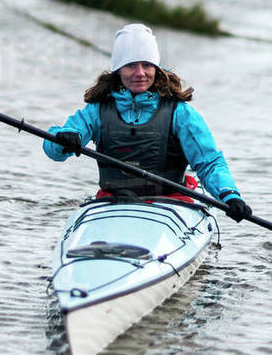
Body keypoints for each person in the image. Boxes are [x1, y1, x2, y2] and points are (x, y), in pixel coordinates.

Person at [43, 23, 251, 221]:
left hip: (171, 204)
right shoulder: (97, 110)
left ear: (156, 68)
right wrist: (63, 139)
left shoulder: (181, 113)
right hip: (112, 202)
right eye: (131, 65)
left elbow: (209, 162)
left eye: (146, 65)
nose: (140, 73)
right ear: (118, 70)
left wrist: (229, 195)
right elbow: (53, 150)